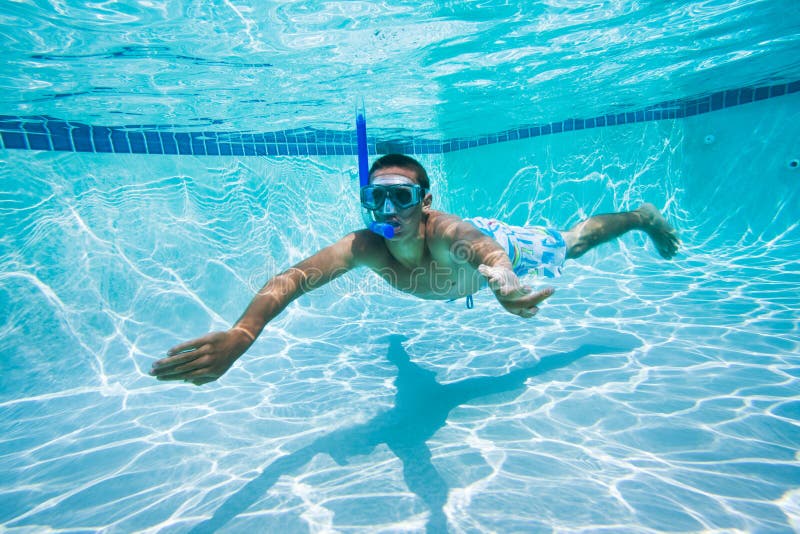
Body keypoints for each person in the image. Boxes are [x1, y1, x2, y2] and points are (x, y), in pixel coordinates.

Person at [151, 154, 679, 385]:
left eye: (400, 198)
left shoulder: (445, 231)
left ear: (424, 201)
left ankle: (639, 217)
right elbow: (291, 279)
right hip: (473, 266)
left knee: (574, 243)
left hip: (505, 245)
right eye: (375, 200)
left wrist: (504, 281)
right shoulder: (366, 247)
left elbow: (483, 251)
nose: (387, 213)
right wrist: (244, 334)